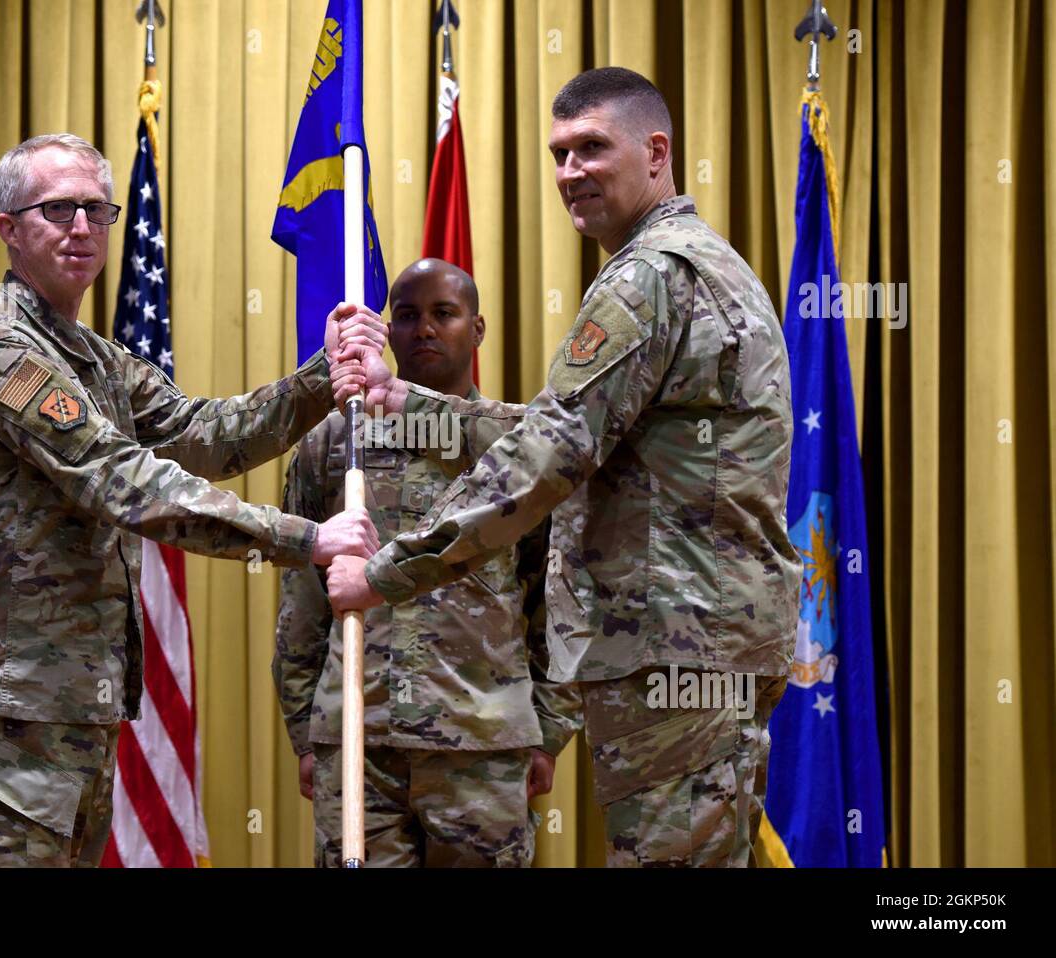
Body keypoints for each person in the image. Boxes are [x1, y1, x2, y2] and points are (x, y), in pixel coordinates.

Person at [324, 68, 802, 867]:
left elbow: (550, 454)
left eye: (592, 149)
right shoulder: (705, 262)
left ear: (656, 153)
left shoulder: (648, 276)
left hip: (672, 649)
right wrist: (412, 404)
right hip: (708, 644)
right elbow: (596, 431)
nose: (570, 172)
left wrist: (391, 571)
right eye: (558, 154)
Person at [0, 133, 381, 867]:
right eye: (57, 209)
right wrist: (307, 539)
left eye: (96, 211)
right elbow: (124, 481)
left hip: (78, 702)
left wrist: (321, 378)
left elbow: (202, 434)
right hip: (16, 710)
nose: (81, 227)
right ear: (9, 229)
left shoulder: (95, 358)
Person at [275, 259, 581, 867]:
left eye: (444, 314)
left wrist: (549, 728)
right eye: (407, 317)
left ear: (479, 327)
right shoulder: (336, 443)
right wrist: (306, 728)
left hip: (482, 741)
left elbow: (561, 595)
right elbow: (302, 598)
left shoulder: (518, 450)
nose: (424, 330)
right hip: (361, 735)